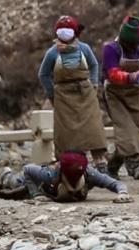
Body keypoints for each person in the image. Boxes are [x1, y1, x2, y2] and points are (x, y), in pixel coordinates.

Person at [38, 15, 108, 172]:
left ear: (75, 32)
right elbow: (43, 75)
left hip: (86, 94)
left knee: (93, 128)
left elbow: (94, 65)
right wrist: (53, 94)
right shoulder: (52, 53)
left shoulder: (84, 49)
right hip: (63, 97)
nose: (64, 33)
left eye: (67, 30)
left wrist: (93, 85)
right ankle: (71, 166)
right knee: (66, 133)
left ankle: (100, 162)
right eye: (61, 30)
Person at [101, 15, 139, 180]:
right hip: (114, 93)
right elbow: (111, 73)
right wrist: (131, 77)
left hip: (135, 93)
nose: (135, 46)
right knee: (125, 128)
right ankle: (134, 164)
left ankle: (113, 165)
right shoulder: (111, 49)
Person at [0, 151, 133, 203]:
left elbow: (114, 183)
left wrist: (122, 193)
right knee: (14, 183)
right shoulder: (49, 174)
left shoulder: (90, 173)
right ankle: (6, 174)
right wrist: (36, 194)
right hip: (29, 183)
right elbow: (28, 169)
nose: (78, 170)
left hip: (50, 191)